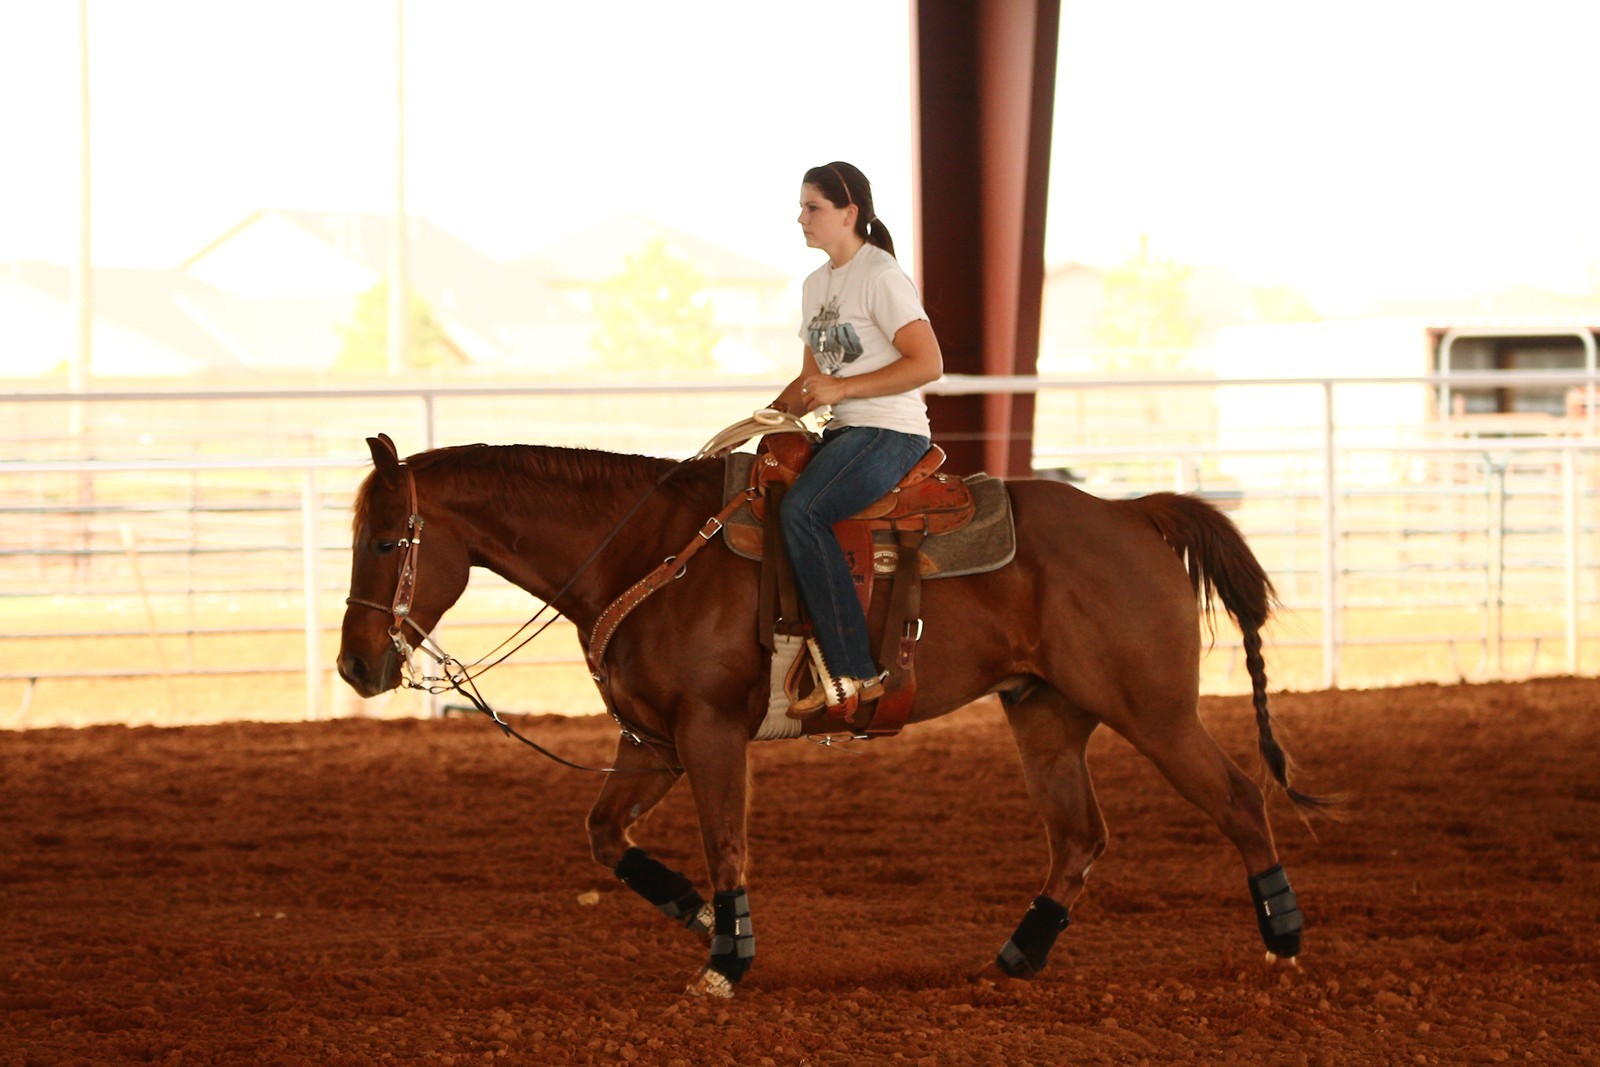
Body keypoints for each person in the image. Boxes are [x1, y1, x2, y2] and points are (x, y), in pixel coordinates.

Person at [767, 161, 944, 718]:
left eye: (812, 207)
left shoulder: (881, 276)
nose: (801, 218)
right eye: (801, 207)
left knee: (804, 513)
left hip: (890, 430)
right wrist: (760, 420)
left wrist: (841, 389)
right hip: (846, 429)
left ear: (850, 213)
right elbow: (807, 382)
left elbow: (928, 363)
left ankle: (854, 672)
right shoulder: (815, 285)